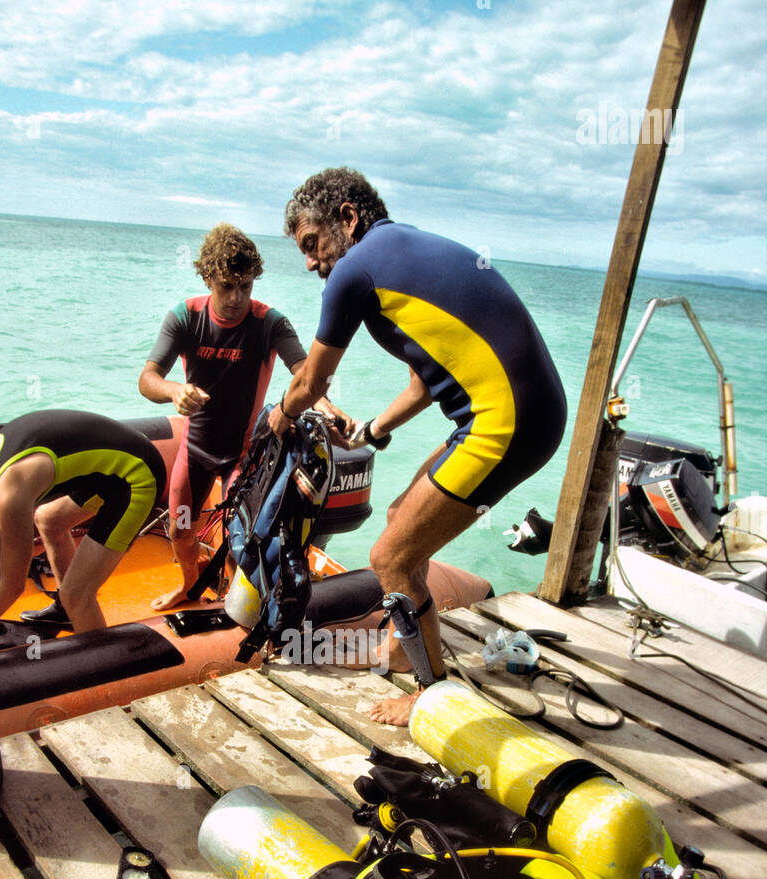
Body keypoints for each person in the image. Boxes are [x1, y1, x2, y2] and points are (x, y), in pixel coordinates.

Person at [268, 168, 567, 726]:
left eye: (312, 244)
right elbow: (426, 384)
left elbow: (310, 383)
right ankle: (405, 650)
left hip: (506, 419)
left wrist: (279, 419)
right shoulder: (400, 252)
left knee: (389, 557)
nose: (310, 262)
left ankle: (431, 694)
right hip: (523, 412)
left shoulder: (354, 270)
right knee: (403, 514)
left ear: (348, 219)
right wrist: (373, 431)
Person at [139, 223, 345, 610]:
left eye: (246, 287)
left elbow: (305, 373)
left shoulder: (269, 323)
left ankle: (235, 601)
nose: (236, 298)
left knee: (243, 535)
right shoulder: (184, 317)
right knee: (180, 531)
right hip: (194, 451)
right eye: (226, 286)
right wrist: (173, 391)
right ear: (207, 278)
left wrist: (325, 405)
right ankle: (188, 586)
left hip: (246, 453)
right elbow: (147, 378)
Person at [0, 408, 167, 632]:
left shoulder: (9, 495)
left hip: (138, 473)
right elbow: (0, 539)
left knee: (77, 594)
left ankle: (99, 659)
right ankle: (64, 611)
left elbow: (10, 587)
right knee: (48, 520)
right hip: (109, 470)